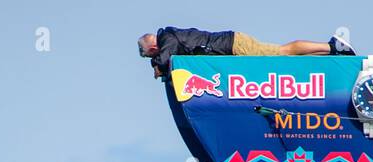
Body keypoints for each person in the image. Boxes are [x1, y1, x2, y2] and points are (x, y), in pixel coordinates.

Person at [138, 27, 354, 79]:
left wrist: (157, 67)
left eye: (149, 56)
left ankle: (333, 46)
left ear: (153, 48)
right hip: (232, 46)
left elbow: (166, 59)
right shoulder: (169, 39)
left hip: (235, 46)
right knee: (286, 62)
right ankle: (330, 56)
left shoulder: (167, 36)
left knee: (281, 53)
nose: (152, 60)